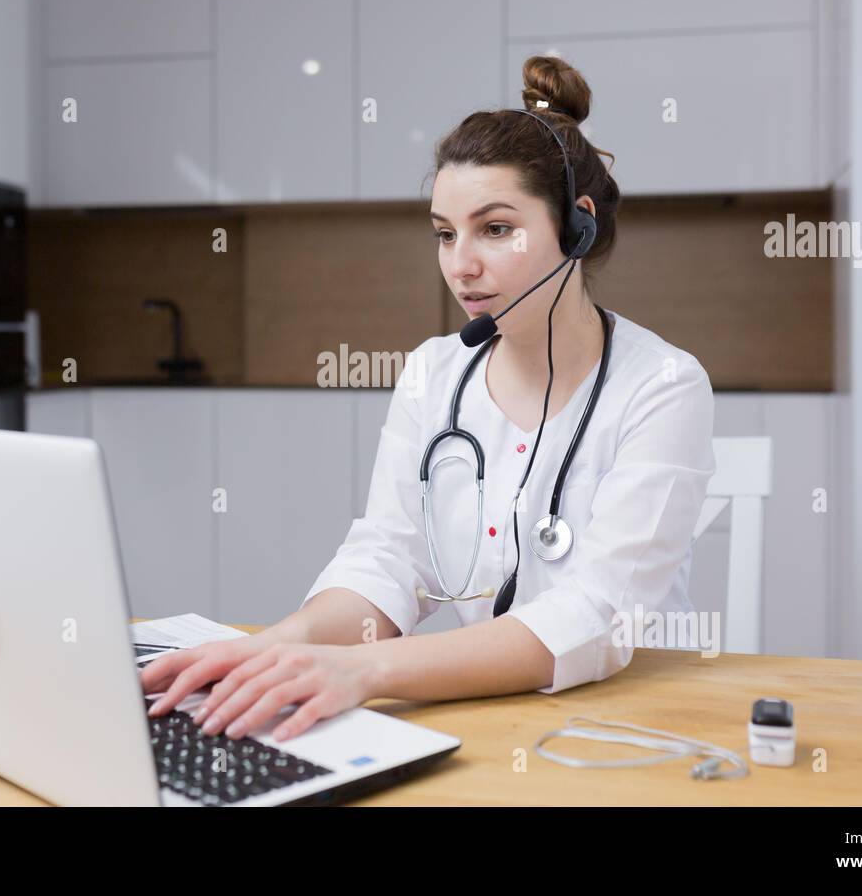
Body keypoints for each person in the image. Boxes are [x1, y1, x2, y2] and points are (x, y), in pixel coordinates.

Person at [142, 55, 716, 743]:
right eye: (446, 233)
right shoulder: (432, 373)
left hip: (630, 733)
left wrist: (365, 672)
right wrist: (280, 646)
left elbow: (597, 616)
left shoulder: (662, 386)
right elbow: (388, 560)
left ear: (576, 226)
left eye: (495, 229)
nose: (460, 264)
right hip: (489, 718)